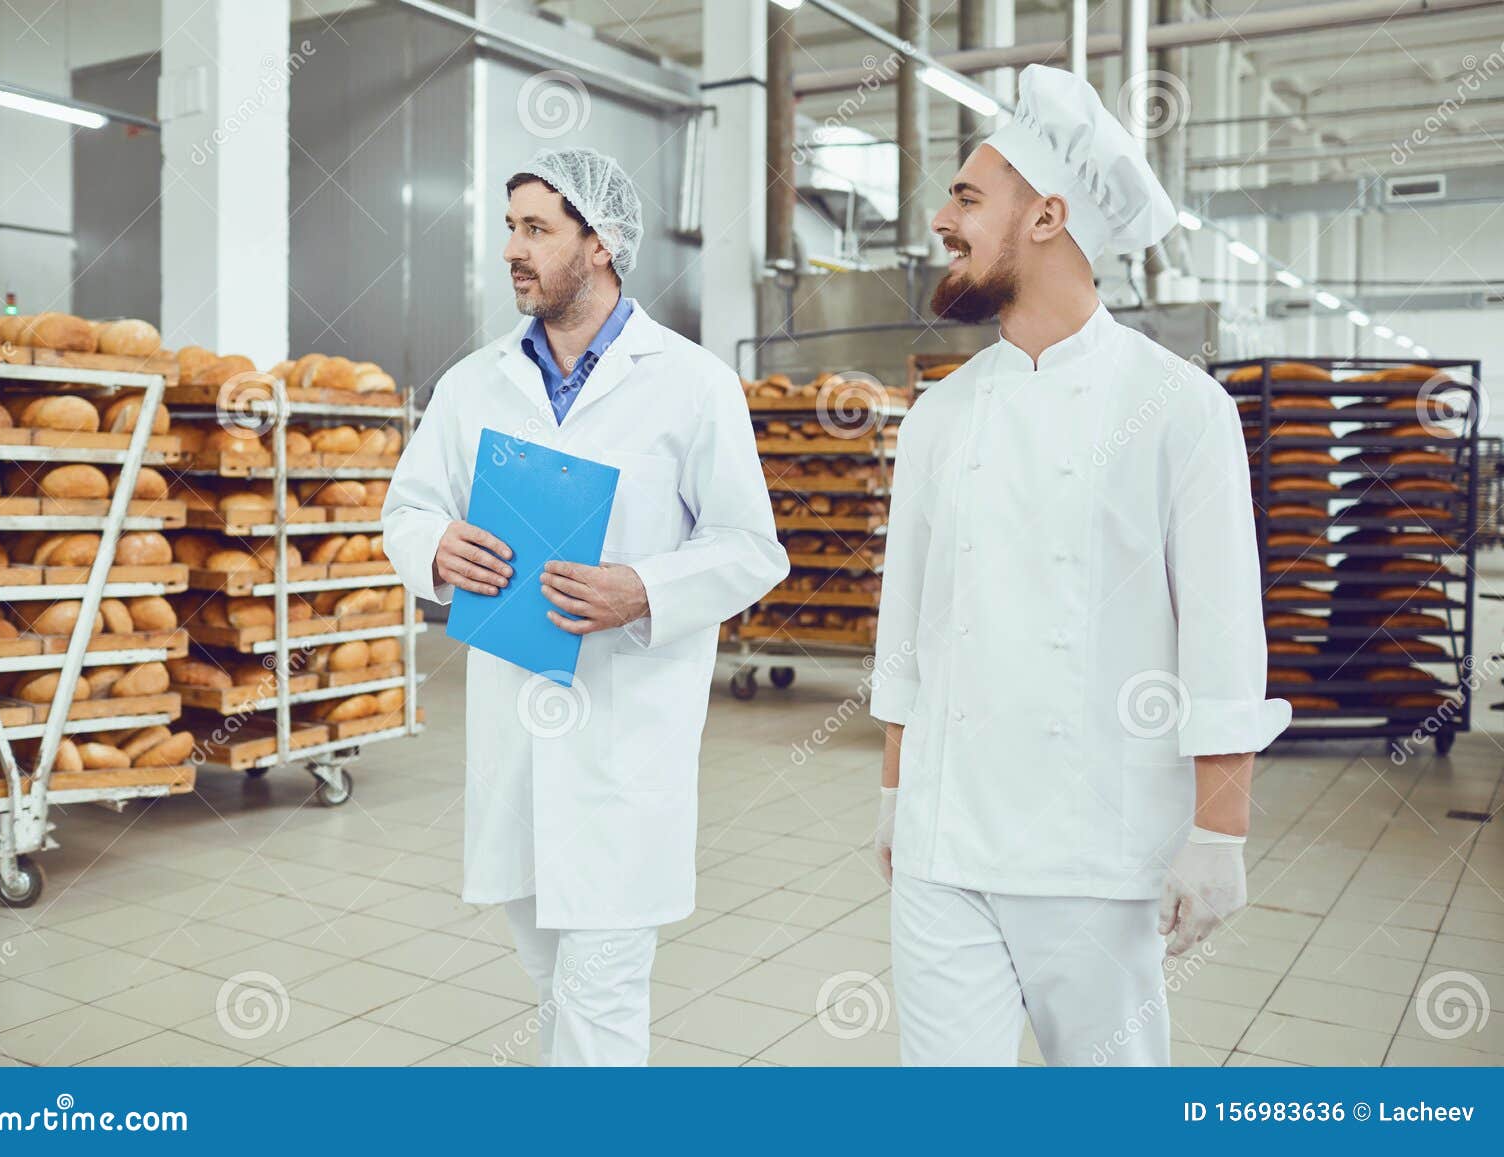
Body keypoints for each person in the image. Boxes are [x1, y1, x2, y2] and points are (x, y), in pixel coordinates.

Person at [869, 65, 1291, 1067]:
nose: (940, 217)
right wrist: (896, 793)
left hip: (1096, 851)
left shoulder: (1179, 408)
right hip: (942, 841)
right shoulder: (941, 413)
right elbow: (908, 629)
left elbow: (1223, 637)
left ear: (1048, 216)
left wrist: (1218, 830)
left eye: (967, 198)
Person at [382, 147, 787, 1067]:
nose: (513, 251)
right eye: (510, 229)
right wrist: (434, 547)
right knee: (551, 983)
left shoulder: (692, 383)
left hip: (624, 741)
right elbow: (407, 509)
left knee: (600, 1000)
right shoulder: (474, 382)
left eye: (537, 229)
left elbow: (751, 546)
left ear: (601, 244)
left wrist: (645, 589)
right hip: (516, 743)